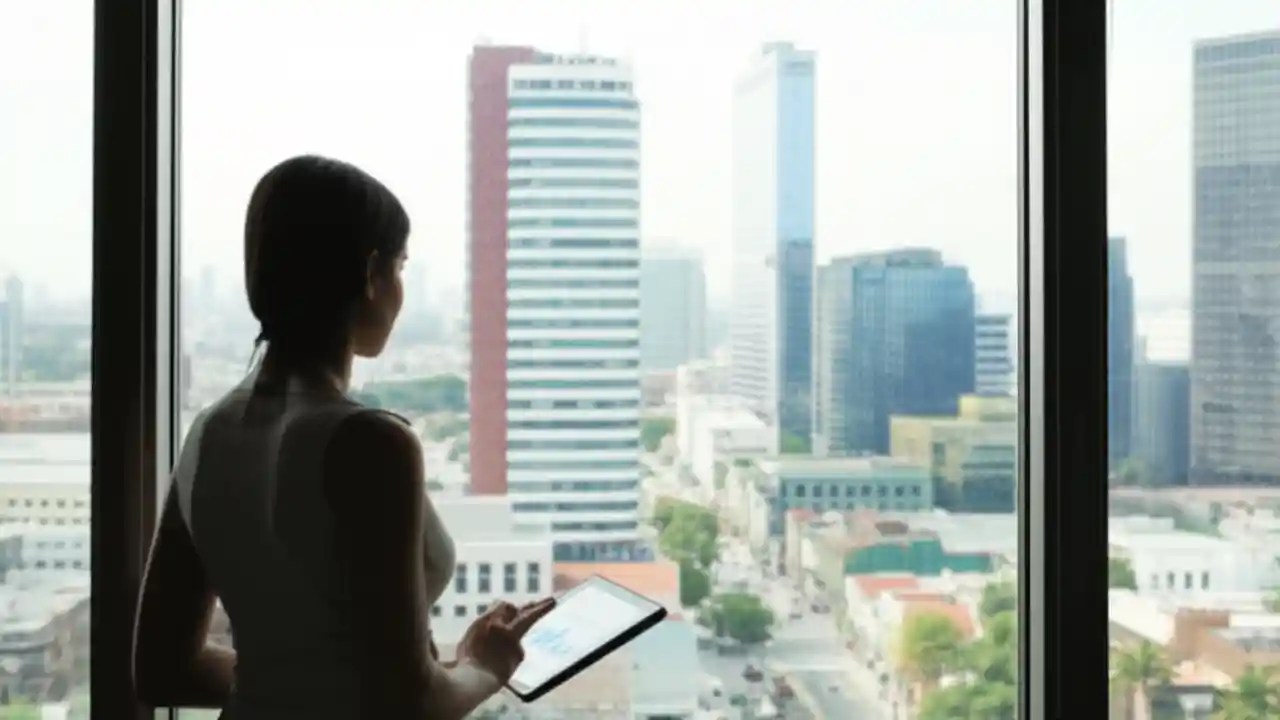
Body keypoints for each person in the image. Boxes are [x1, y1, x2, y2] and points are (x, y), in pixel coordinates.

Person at [133, 155, 554, 719]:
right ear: (370, 273)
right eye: (399, 268)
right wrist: (484, 664)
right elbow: (412, 704)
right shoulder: (371, 444)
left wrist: (293, 680)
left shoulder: (210, 433)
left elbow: (163, 669)